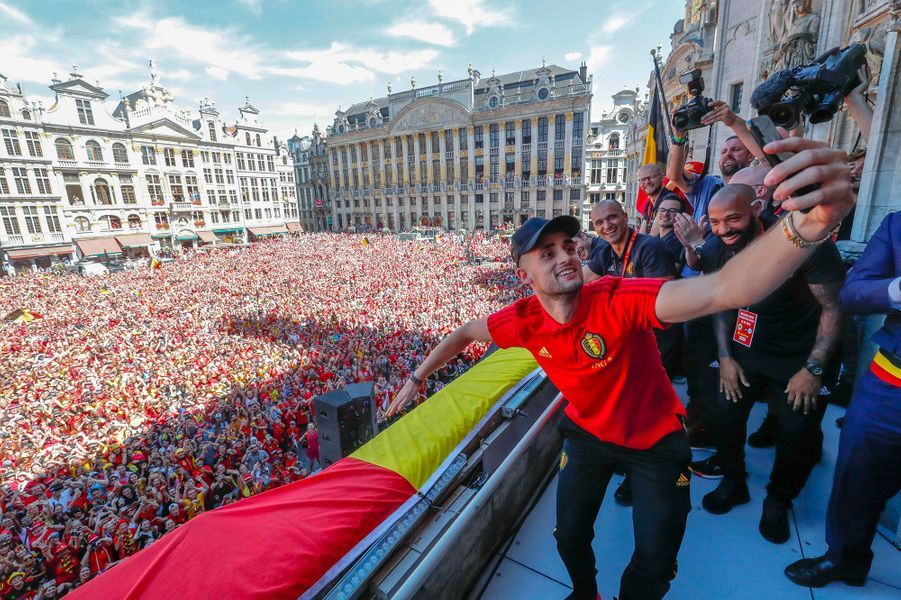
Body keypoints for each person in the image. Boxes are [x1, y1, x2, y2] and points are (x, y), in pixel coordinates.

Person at [387, 136, 854, 600]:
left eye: (567, 246)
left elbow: (725, 288)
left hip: (657, 442)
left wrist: (810, 225)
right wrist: (416, 377)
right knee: (568, 536)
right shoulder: (521, 320)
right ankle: (585, 593)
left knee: (656, 559)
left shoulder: (617, 297)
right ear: (524, 276)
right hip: (588, 435)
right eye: (547, 253)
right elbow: (465, 333)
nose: (565, 256)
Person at [675, 184, 845, 545]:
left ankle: (779, 499)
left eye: (733, 219)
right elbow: (721, 303)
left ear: (756, 208)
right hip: (749, 349)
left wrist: (813, 369)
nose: (723, 230)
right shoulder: (718, 248)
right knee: (724, 413)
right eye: (715, 222)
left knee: (797, 433)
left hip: (802, 355)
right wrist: (725, 357)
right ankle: (734, 480)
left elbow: (834, 308)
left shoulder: (803, 241)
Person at [785, 211, 901, 588]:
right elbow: (853, 291)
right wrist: (897, 290)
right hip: (891, 385)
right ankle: (844, 559)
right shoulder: (897, 225)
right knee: (856, 477)